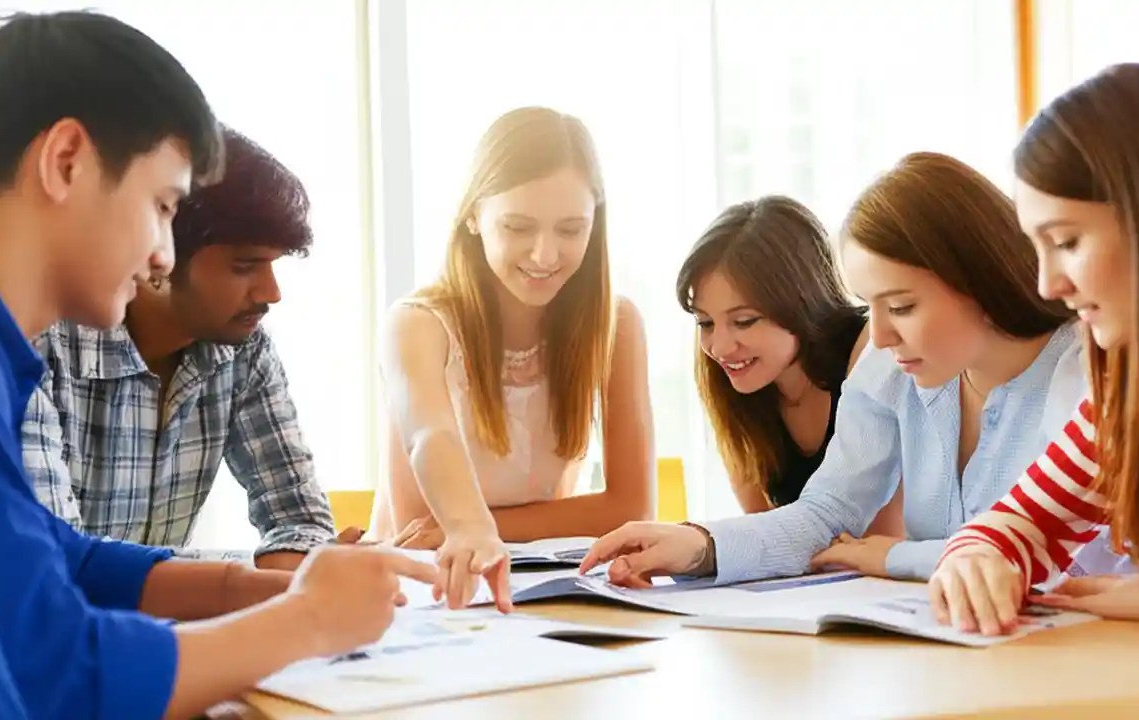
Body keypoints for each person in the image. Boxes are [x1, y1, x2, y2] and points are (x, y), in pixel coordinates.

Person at [0, 12, 435, 719]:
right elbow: (57, 678)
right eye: (161, 205)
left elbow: (60, 557)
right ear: (66, 162)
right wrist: (306, 622)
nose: (161, 254)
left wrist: (254, 592)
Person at [580, 152, 1084, 585]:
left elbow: (1043, 555)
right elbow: (827, 513)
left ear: (980, 280)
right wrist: (698, 545)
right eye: (871, 305)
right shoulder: (893, 369)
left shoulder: (1081, 374)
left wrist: (892, 557)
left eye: (902, 307)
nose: (881, 336)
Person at [930, 63, 1139, 639]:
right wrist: (973, 561)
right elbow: (1017, 522)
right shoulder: (1133, 407)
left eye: (1067, 242)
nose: (1049, 285)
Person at [372, 106, 655, 609]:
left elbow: (632, 509)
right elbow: (419, 507)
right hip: (423, 593)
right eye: (518, 226)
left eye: (570, 230)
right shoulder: (417, 324)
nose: (545, 255)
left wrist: (474, 526)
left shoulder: (616, 324)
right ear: (472, 216)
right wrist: (467, 529)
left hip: (549, 585)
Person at [21, 125, 337, 571]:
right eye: (245, 267)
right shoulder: (39, 346)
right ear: (158, 256)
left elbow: (301, 520)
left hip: (157, 624)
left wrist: (301, 573)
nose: (271, 292)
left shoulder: (243, 351)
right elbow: (55, 564)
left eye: (273, 265)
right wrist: (263, 585)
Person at [678, 195, 902, 530]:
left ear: (801, 302)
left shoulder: (873, 349)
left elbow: (880, 535)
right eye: (705, 323)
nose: (720, 347)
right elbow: (762, 537)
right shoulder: (734, 384)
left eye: (744, 321)